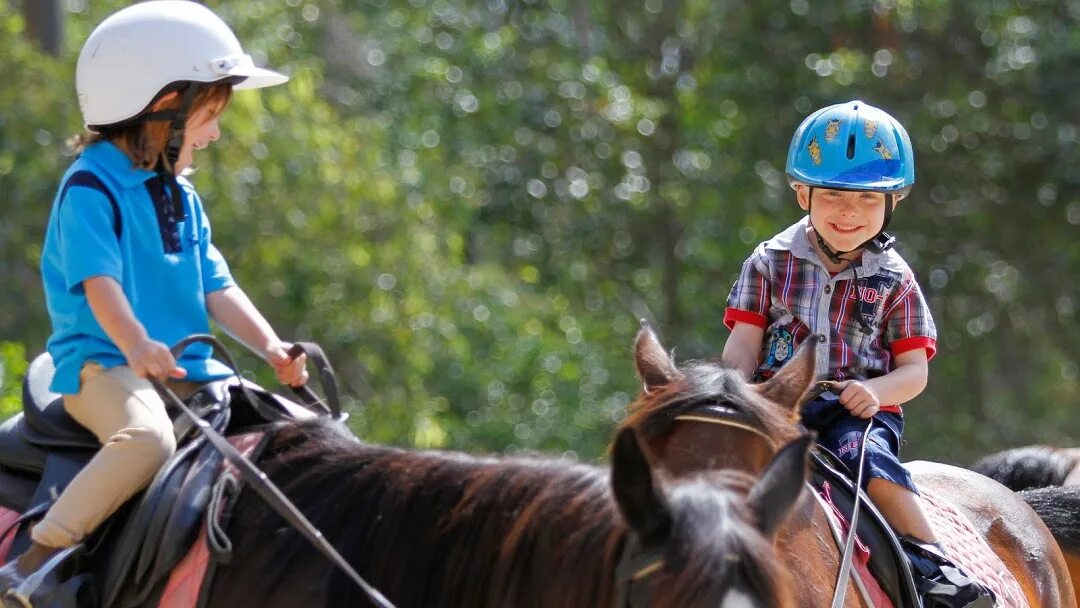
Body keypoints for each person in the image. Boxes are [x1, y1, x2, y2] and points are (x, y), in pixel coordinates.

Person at [0, 1, 309, 602]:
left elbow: (217, 287)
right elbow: (101, 286)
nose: (216, 132)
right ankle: (36, 560)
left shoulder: (181, 195)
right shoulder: (90, 188)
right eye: (210, 114)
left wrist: (273, 349)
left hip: (182, 369)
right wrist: (137, 344)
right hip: (104, 367)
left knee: (298, 429)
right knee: (147, 440)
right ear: (165, 104)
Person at [720, 100, 994, 608]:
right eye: (833, 196)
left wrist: (874, 391)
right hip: (776, 406)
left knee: (867, 460)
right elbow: (742, 344)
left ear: (893, 202)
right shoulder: (768, 262)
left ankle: (931, 564)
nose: (850, 213)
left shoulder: (895, 279)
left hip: (854, 412)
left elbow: (914, 371)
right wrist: (735, 396)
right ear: (802, 193)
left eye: (869, 199)